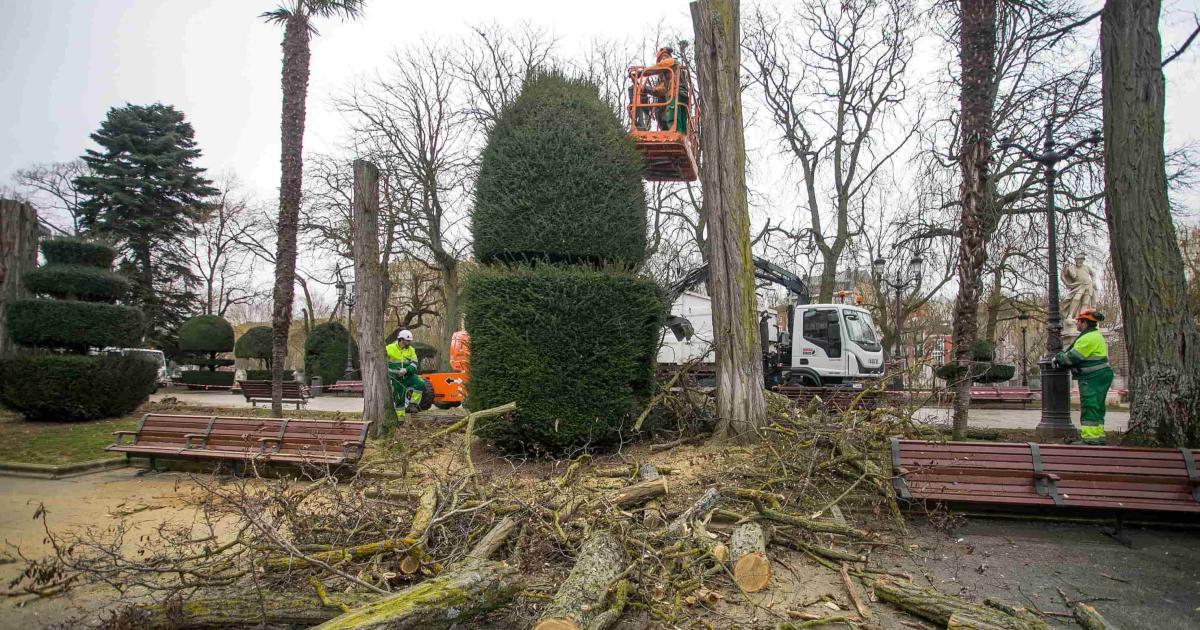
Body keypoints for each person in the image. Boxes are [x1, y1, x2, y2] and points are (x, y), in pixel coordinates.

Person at [1053, 309, 1113, 445]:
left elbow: (1071, 358)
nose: (1077, 324)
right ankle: (1098, 435)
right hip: (1100, 376)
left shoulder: (1087, 338)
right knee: (1097, 407)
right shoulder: (1095, 336)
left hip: (1092, 378)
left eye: (1078, 321)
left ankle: (1090, 439)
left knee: (1090, 406)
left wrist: (1059, 356)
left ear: (1084, 322)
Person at [648, 47, 688, 133]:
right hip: (682, 94)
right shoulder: (670, 72)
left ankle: (675, 131)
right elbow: (662, 89)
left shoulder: (671, 62)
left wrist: (641, 72)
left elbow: (659, 67)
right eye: (661, 59)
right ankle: (680, 133)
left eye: (663, 58)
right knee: (680, 117)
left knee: (672, 115)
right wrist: (652, 90)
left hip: (675, 93)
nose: (662, 60)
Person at [385, 328, 424, 419]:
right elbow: (383, 364)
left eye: (410, 341)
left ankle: (412, 405)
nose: (409, 343)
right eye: (407, 341)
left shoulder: (411, 350)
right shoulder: (389, 348)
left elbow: (415, 364)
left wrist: (406, 370)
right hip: (396, 379)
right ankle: (400, 420)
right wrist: (395, 373)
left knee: (420, 383)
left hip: (408, 376)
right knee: (399, 400)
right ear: (401, 340)